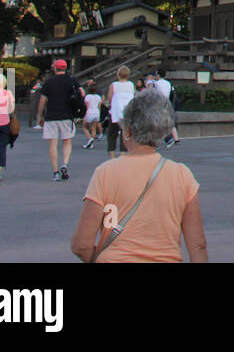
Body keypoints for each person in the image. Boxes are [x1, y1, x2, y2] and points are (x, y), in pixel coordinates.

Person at [70, 90, 207, 263]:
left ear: (128, 130)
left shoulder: (106, 172)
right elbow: (197, 245)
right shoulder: (182, 175)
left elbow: (81, 244)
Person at [38, 58, 82, 181]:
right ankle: (65, 163)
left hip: (51, 115)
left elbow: (42, 100)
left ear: (55, 68)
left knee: (53, 144)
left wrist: (40, 115)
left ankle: (55, 172)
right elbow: (81, 92)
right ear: (65, 68)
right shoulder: (72, 81)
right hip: (67, 115)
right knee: (67, 141)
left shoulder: (49, 82)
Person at [106, 66, 135, 159]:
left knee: (112, 134)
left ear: (118, 74)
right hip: (127, 112)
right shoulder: (131, 84)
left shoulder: (113, 85)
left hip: (115, 112)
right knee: (125, 133)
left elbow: (110, 98)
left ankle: (112, 156)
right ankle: (123, 155)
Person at [153, 69, 180, 147]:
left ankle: (164, 140)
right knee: (169, 122)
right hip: (168, 104)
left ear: (158, 75)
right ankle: (175, 138)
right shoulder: (168, 83)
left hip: (159, 104)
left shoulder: (156, 83)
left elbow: (154, 94)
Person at [81, 81, 103, 149]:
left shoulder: (88, 97)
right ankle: (91, 143)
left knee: (84, 127)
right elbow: (99, 106)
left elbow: (87, 106)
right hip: (96, 113)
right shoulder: (99, 97)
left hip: (90, 112)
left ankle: (90, 138)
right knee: (93, 128)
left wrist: (85, 115)